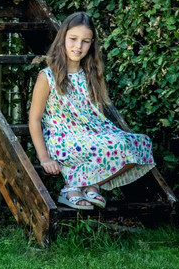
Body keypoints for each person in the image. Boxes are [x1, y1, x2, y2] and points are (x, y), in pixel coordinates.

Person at [28, 12, 155, 210]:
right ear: (62, 39)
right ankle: (73, 187)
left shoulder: (91, 74)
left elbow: (93, 114)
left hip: (92, 135)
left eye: (85, 41)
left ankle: (88, 184)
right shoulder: (47, 77)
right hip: (64, 140)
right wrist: (44, 157)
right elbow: (34, 119)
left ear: (92, 44)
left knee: (140, 144)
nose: (78, 46)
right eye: (73, 39)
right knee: (116, 144)